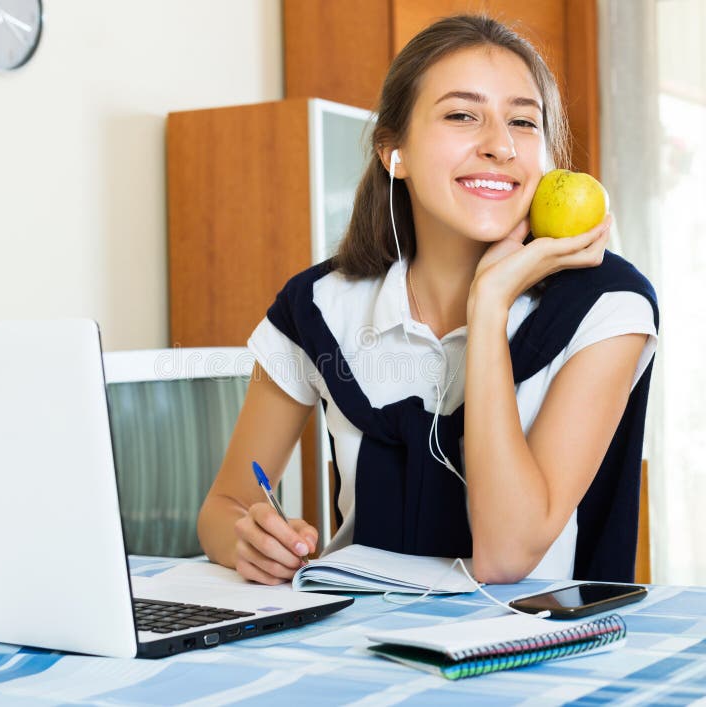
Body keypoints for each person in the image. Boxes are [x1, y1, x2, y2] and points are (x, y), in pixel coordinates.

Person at [197, 14, 658, 585]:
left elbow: (506, 555)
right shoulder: (317, 307)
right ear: (396, 152)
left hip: (529, 648)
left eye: (523, 121)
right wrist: (248, 540)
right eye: (463, 115)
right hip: (354, 636)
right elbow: (226, 505)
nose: (500, 145)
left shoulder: (610, 306)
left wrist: (487, 308)